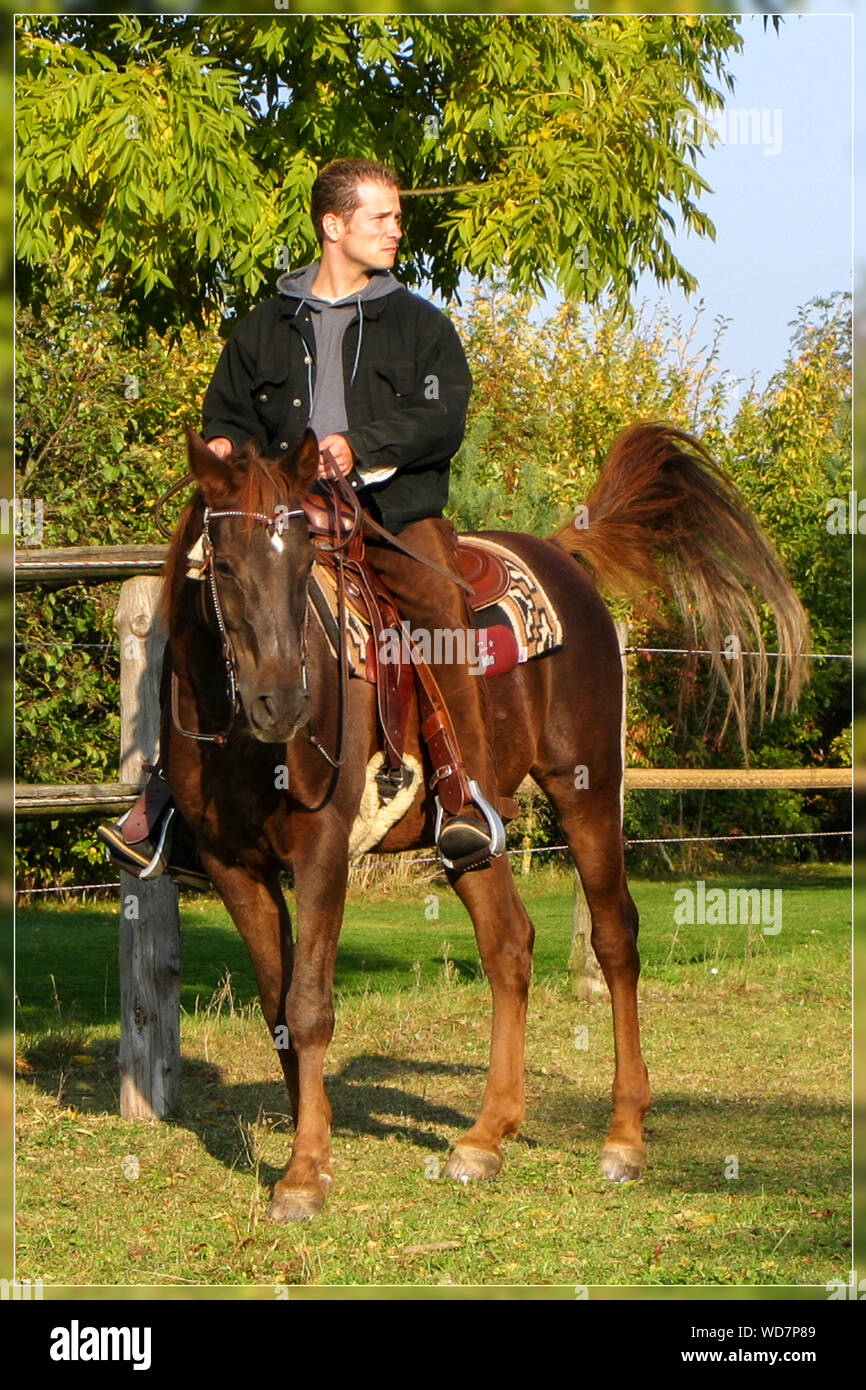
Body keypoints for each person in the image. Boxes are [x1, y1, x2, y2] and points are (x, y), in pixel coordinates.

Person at [99, 156, 504, 876]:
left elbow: (443, 418)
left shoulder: (419, 325)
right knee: (193, 596)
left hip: (388, 512)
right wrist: (223, 442)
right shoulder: (262, 327)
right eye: (382, 218)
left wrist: (363, 447)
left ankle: (458, 795)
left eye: (397, 217)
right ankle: (171, 796)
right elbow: (225, 411)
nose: (395, 231)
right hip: (280, 514)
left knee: (440, 606)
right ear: (333, 224)